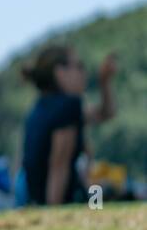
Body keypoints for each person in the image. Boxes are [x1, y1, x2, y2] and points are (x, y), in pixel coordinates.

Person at [20, 45, 118, 206]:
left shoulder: (43, 107)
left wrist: (104, 81)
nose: (83, 73)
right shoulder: (67, 106)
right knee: (117, 193)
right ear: (60, 72)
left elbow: (105, 114)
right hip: (62, 200)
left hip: (36, 199)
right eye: (79, 66)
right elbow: (59, 166)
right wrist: (54, 213)